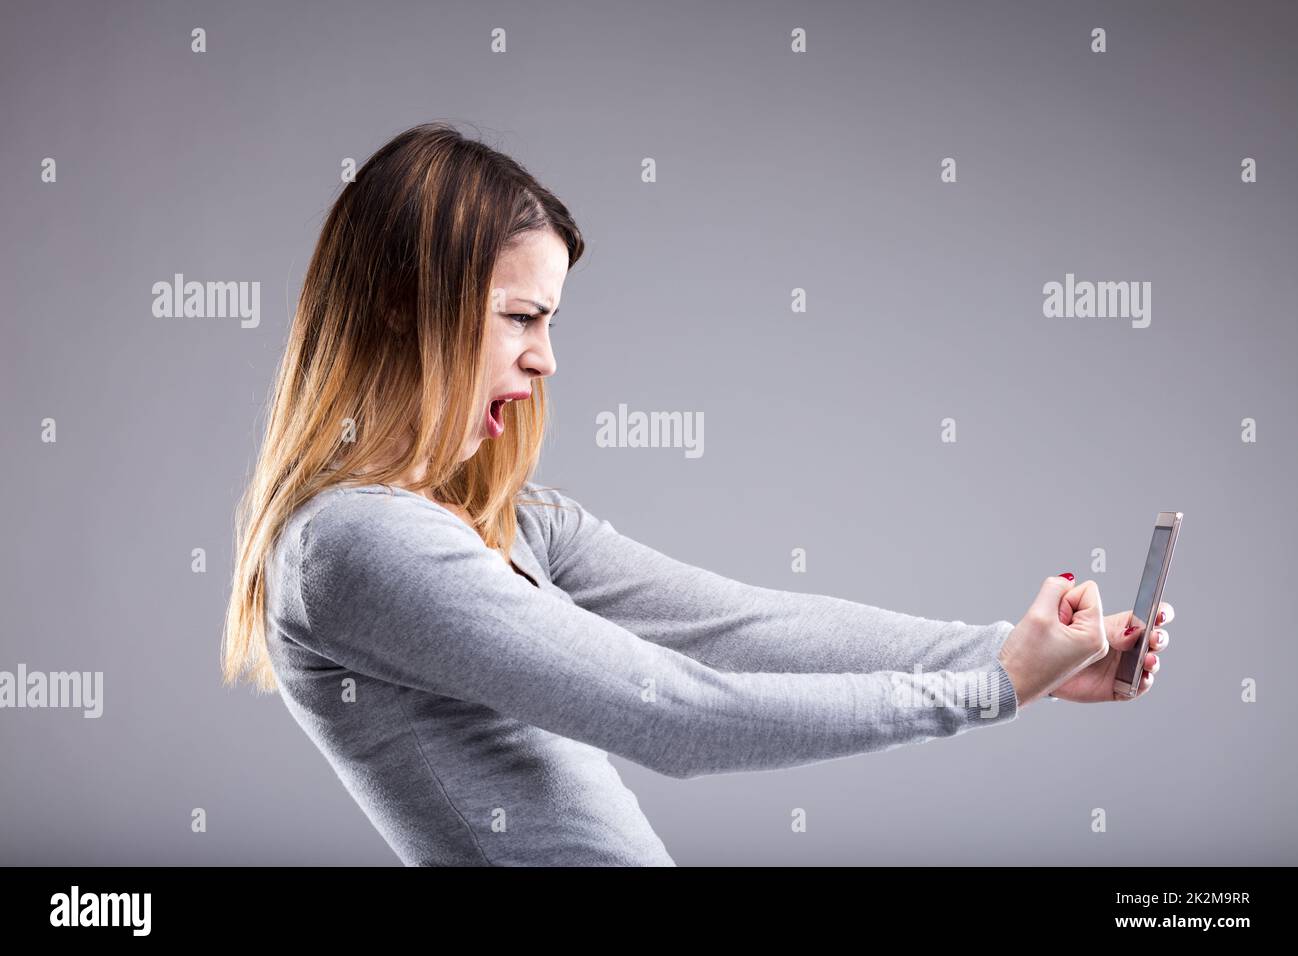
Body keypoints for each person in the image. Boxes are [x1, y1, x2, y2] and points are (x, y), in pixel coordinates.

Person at [220, 122, 1173, 866]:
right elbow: (676, 716)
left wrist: (1020, 656)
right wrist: (991, 689)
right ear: (403, 302)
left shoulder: (504, 522)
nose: (545, 359)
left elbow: (740, 629)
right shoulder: (347, 545)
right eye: (521, 317)